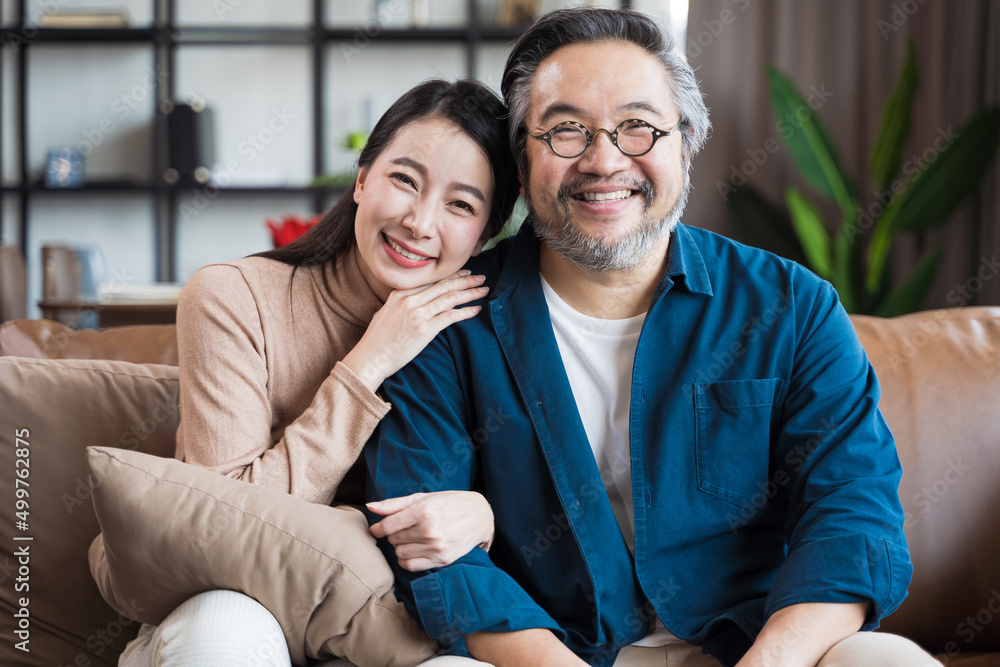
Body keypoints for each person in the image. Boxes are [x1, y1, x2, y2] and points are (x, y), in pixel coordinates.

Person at [366, 9, 941, 667]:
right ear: (521, 163)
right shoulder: (448, 320)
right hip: (549, 651)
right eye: (566, 130)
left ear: (685, 146)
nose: (604, 161)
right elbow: (432, 554)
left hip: (759, 645)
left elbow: (853, 519)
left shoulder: (792, 307)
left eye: (638, 126)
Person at [116, 78, 519, 666]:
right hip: (240, 601)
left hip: (390, 623)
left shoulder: (482, 331)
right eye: (405, 180)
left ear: (484, 234)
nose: (419, 221)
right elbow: (225, 527)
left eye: (461, 205)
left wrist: (485, 516)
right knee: (224, 632)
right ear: (362, 180)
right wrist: (369, 362)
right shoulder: (234, 297)